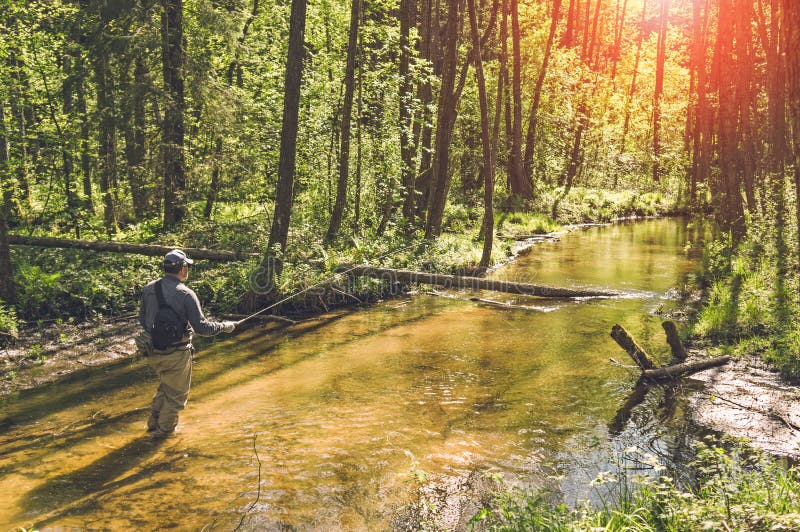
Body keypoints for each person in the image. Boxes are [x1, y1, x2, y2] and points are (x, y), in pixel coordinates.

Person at [137, 249, 237, 438]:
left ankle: (152, 424)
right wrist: (225, 326)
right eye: (187, 266)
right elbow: (203, 328)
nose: (188, 269)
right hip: (176, 354)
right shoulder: (186, 294)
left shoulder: (150, 287)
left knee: (166, 388)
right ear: (182, 269)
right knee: (176, 397)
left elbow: (143, 319)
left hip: (152, 352)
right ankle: (163, 434)